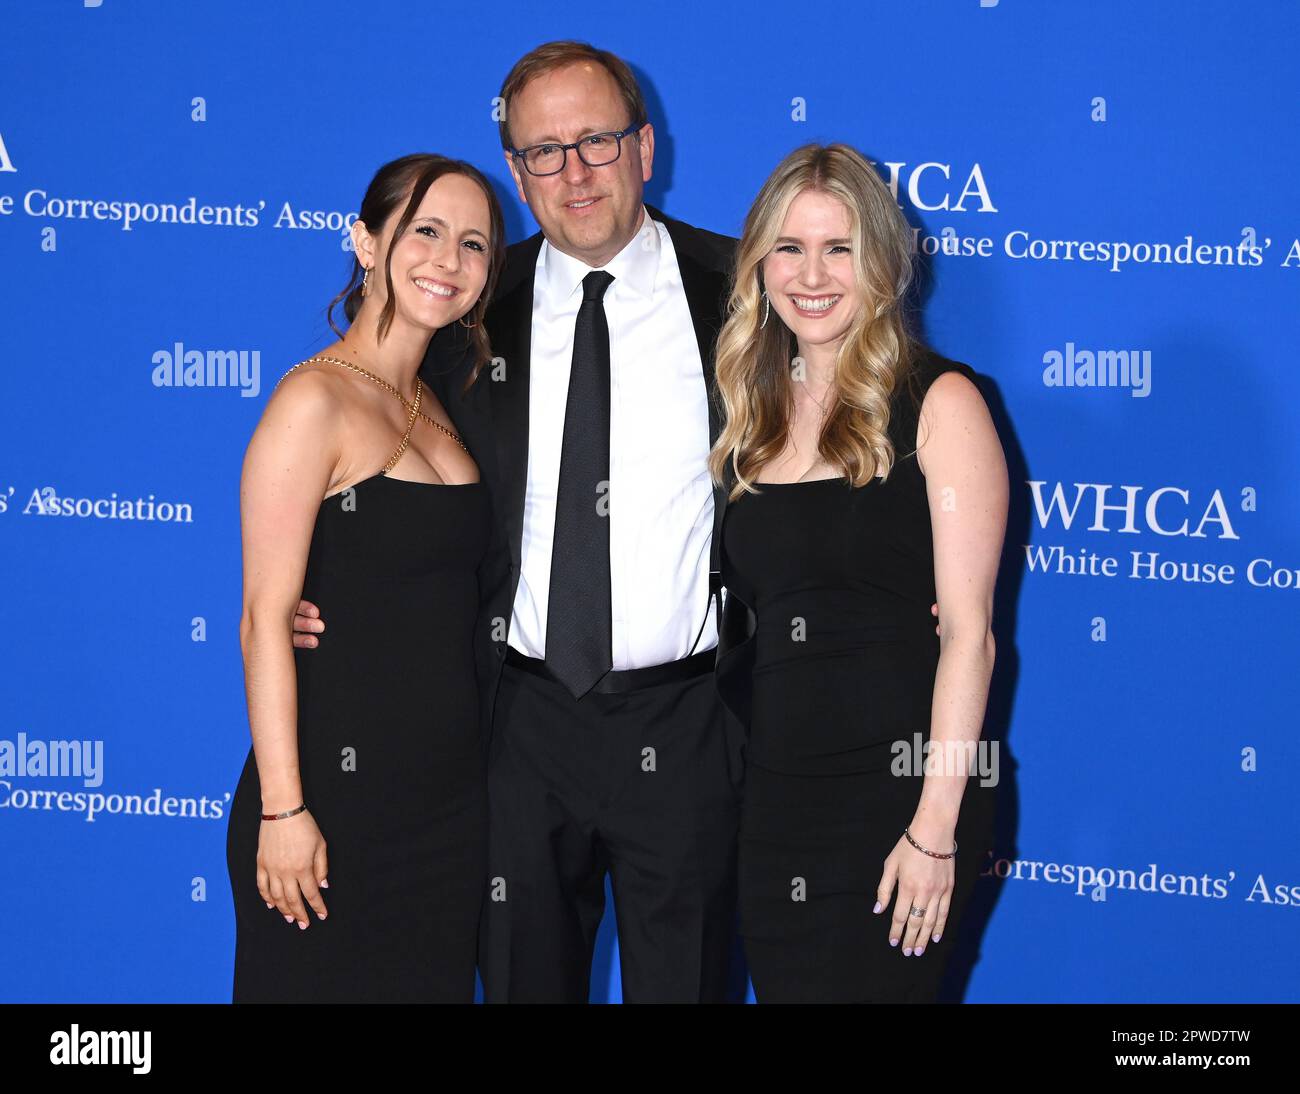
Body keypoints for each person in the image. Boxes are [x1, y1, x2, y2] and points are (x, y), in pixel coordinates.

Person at [294, 41, 747, 1003]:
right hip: (513, 730)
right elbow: (365, 463)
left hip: (691, 719)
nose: (574, 173)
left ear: (646, 147)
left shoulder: (743, 292)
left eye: (596, 141)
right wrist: (316, 594)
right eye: (544, 152)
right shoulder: (463, 304)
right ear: (515, 172)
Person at [711, 142, 1007, 1002]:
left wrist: (935, 828)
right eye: (790, 248)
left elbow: (969, 636)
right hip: (776, 803)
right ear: (759, 261)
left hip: (898, 804)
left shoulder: (940, 402)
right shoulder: (749, 414)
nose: (812, 274)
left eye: (839, 248)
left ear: (880, 261)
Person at [226, 153, 506, 1002]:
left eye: (473, 245)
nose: (446, 261)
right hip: (328, 809)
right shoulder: (312, 401)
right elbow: (264, 619)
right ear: (365, 241)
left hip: (448, 813)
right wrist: (284, 811)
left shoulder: (444, 407)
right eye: (424, 232)